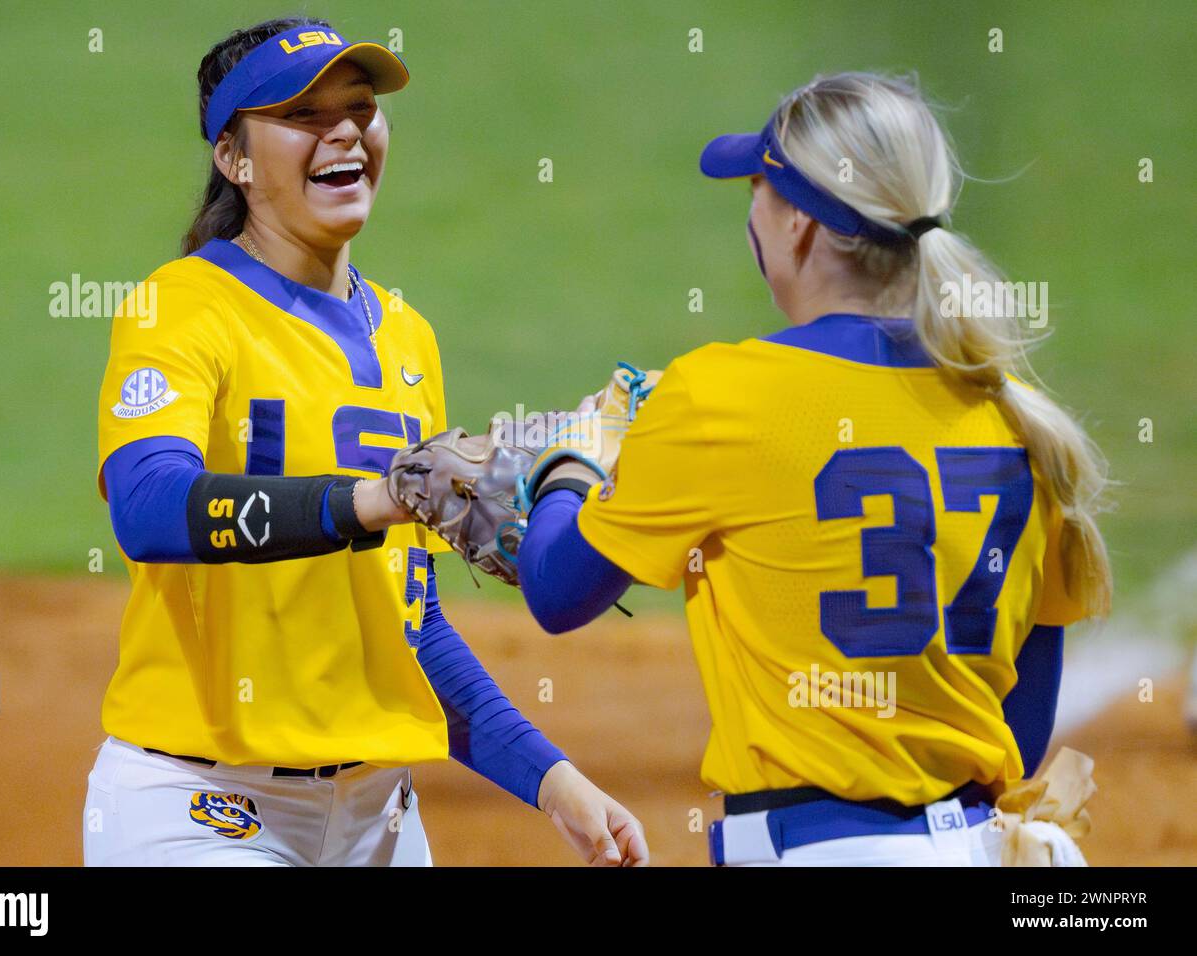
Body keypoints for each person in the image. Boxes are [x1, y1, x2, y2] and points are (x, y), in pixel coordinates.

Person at [84, 16, 646, 867]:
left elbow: (405, 622)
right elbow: (150, 508)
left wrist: (553, 779)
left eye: (358, 108)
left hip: (377, 817)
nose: (345, 129)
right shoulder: (182, 306)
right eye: (304, 115)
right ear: (234, 159)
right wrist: (378, 498)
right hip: (199, 807)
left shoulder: (408, 340)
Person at [513, 72, 1111, 866]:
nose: (752, 212)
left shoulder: (720, 395)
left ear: (796, 222)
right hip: (982, 849)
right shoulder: (1024, 417)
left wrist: (572, 461)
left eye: (757, 188)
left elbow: (556, 590)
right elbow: (1023, 730)